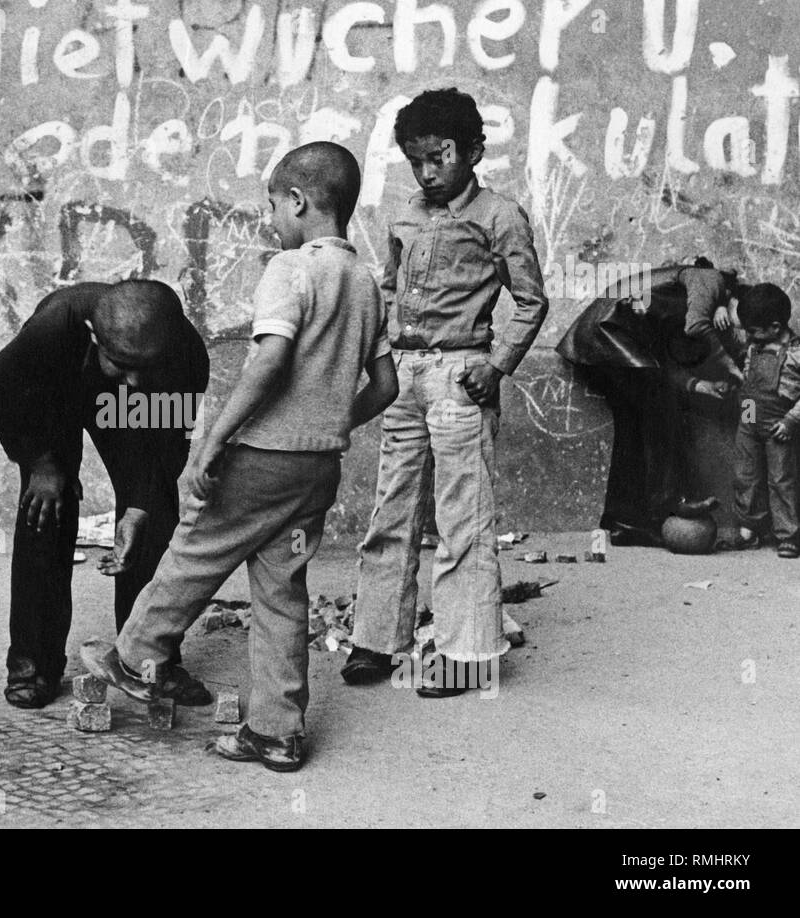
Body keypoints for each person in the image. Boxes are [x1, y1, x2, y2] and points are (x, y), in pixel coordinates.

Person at [81, 141, 398, 772]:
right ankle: (276, 733)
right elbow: (386, 387)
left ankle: (136, 655)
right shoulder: (365, 283)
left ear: (300, 201)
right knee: (282, 591)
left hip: (262, 458)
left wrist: (214, 439)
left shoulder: (289, 270)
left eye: (274, 206)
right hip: (318, 470)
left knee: (194, 554)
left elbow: (270, 361)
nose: (272, 220)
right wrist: (332, 422)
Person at [341, 88, 548, 698]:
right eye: (417, 161)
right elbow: (387, 288)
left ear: (474, 152)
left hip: (461, 379)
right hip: (403, 380)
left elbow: (532, 301)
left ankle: (468, 654)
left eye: (440, 158)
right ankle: (379, 640)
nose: (428, 172)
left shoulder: (499, 216)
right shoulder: (404, 213)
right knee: (391, 512)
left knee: (465, 519)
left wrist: (498, 364)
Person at [0, 279, 211, 709]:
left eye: (147, 366)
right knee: (46, 507)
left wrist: (139, 506)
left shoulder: (184, 358)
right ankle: (33, 663)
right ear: (92, 335)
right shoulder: (56, 327)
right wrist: (40, 462)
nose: (136, 380)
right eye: (122, 363)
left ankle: (149, 659)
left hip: (125, 411)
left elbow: (167, 448)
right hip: (54, 393)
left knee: (155, 516)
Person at [556, 258, 740, 546]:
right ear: (733, 295)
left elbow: (662, 362)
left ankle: (622, 523)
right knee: (663, 415)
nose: (732, 330)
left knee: (632, 433)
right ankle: (672, 500)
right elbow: (695, 326)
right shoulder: (709, 277)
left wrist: (700, 385)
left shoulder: (683, 302)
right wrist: (728, 362)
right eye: (739, 322)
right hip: (608, 334)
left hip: (602, 338)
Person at [719, 283, 800, 557]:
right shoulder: (755, 345)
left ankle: (787, 535)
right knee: (746, 474)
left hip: (779, 423)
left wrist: (791, 420)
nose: (749, 337)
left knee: (781, 479)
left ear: (775, 327)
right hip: (750, 414)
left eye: (753, 331)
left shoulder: (796, 353)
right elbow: (747, 376)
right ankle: (749, 529)